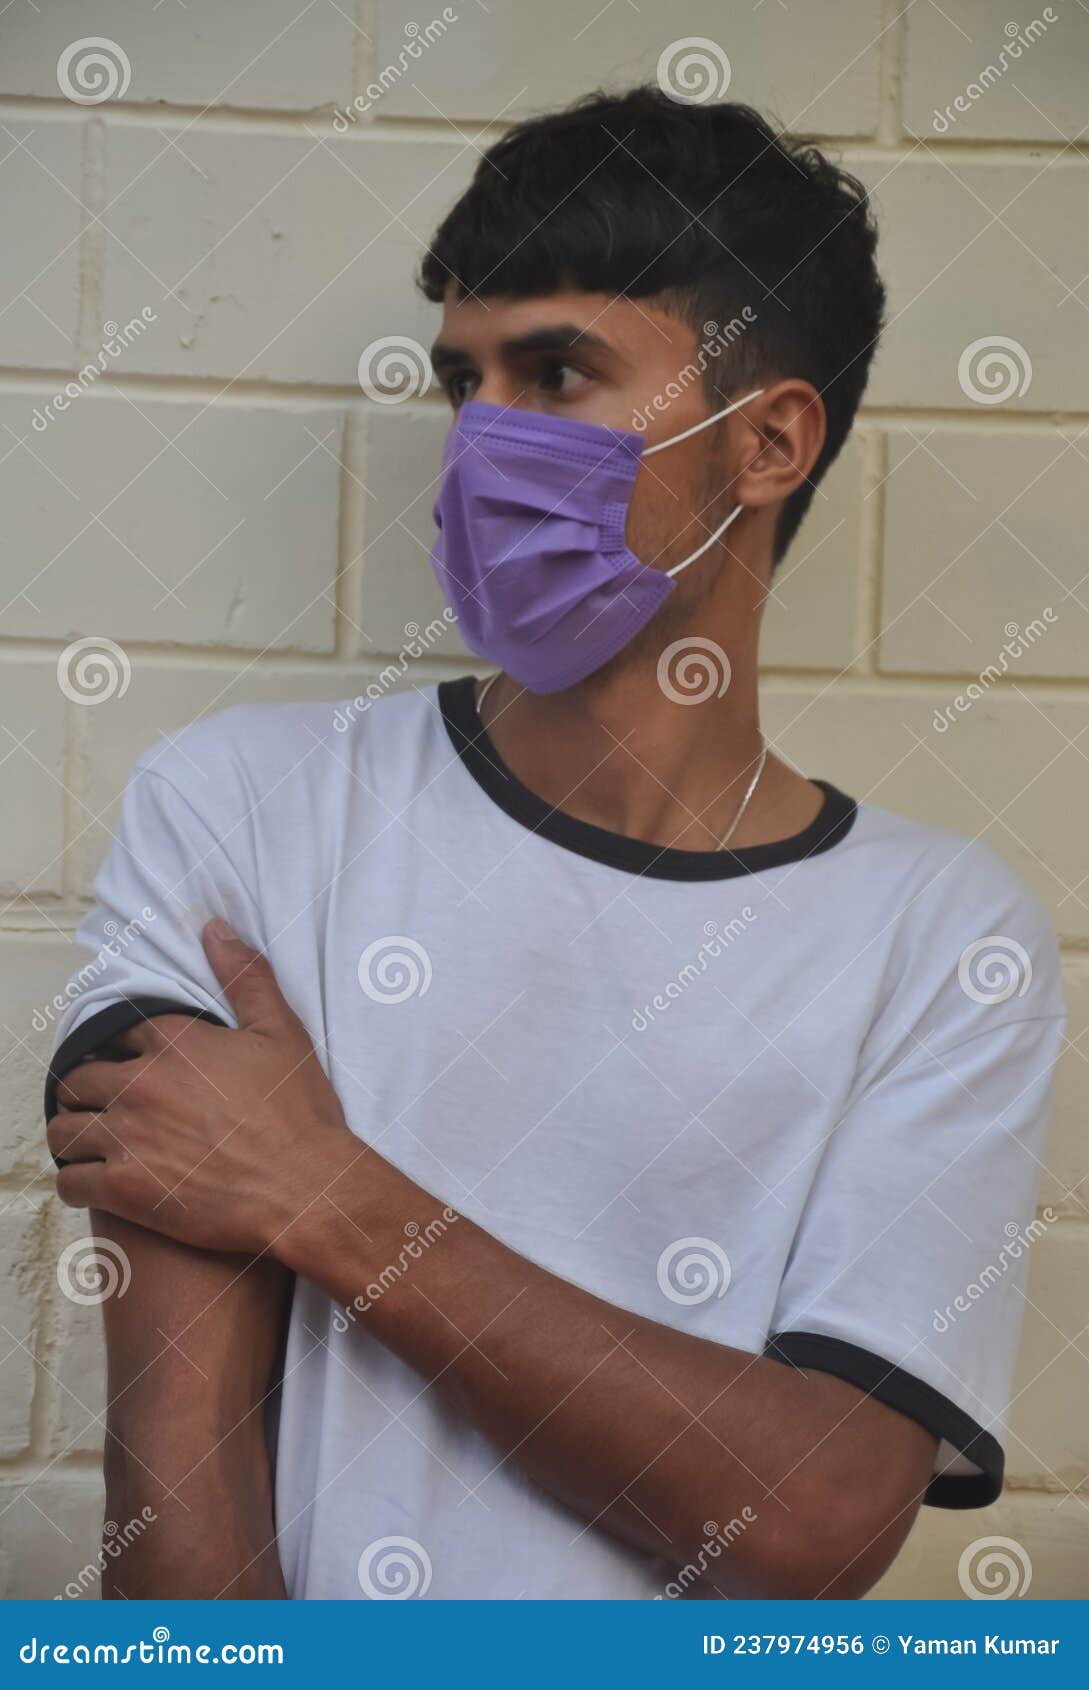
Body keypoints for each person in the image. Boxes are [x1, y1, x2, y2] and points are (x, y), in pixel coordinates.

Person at [45, 88, 1064, 1601]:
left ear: (768, 439)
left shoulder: (937, 936)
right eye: (465, 381)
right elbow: (179, 1500)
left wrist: (328, 1193)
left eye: (560, 371)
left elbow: (815, 1520)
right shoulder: (242, 810)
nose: (481, 444)